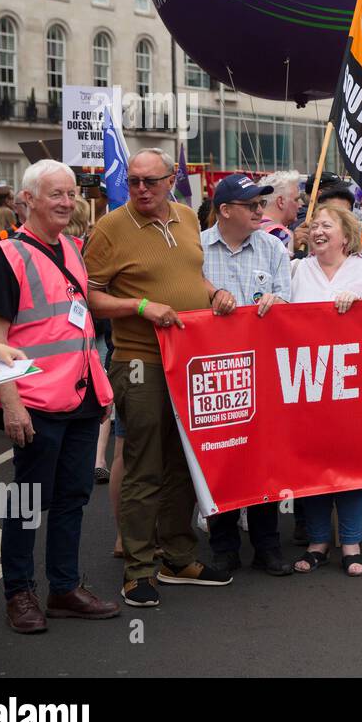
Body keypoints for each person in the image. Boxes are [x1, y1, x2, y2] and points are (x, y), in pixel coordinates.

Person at [84, 148, 237, 608]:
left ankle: (179, 557)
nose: (141, 189)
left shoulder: (189, 217)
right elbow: (90, 296)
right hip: (140, 359)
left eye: (151, 181)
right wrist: (141, 307)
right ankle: (138, 570)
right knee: (145, 464)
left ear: (172, 180)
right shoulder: (110, 228)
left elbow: (193, 276)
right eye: (133, 181)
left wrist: (217, 293)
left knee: (185, 463)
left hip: (188, 359)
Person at [0, 160, 121, 633]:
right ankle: (19, 593)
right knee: (29, 500)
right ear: (28, 200)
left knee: (72, 498)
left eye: (69, 194)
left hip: (81, 397)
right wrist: (11, 401)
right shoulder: (7, 257)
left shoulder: (73, 249)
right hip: (36, 401)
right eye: (55, 194)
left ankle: (63, 588)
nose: (66, 202)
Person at [198, 174, 294, 577]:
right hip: (213, 374)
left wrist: (279, 302)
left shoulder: (273, 247)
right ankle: (223, 547)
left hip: (262, 372)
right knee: (220, 458)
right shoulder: (196, 249)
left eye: (261, 204)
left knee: (263, 457)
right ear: (224, 210)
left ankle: (267, 545)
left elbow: (289, 301)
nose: (260, 211)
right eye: (251, 205)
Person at [289, 203, 362, 577]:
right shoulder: (295, 269)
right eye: (315, 225)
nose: (319, 231)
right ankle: (317, 541)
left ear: (346, 234)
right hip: (305, 383)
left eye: (327, 225)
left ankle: (352, 541)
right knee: (311, 461)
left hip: (355, 383)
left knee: (350, 461)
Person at [258, 170, 302, 251]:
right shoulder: (281, 234)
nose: (300, 205)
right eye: (296, 200)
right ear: (281, 201)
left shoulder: (250, 227)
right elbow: (285, 263)